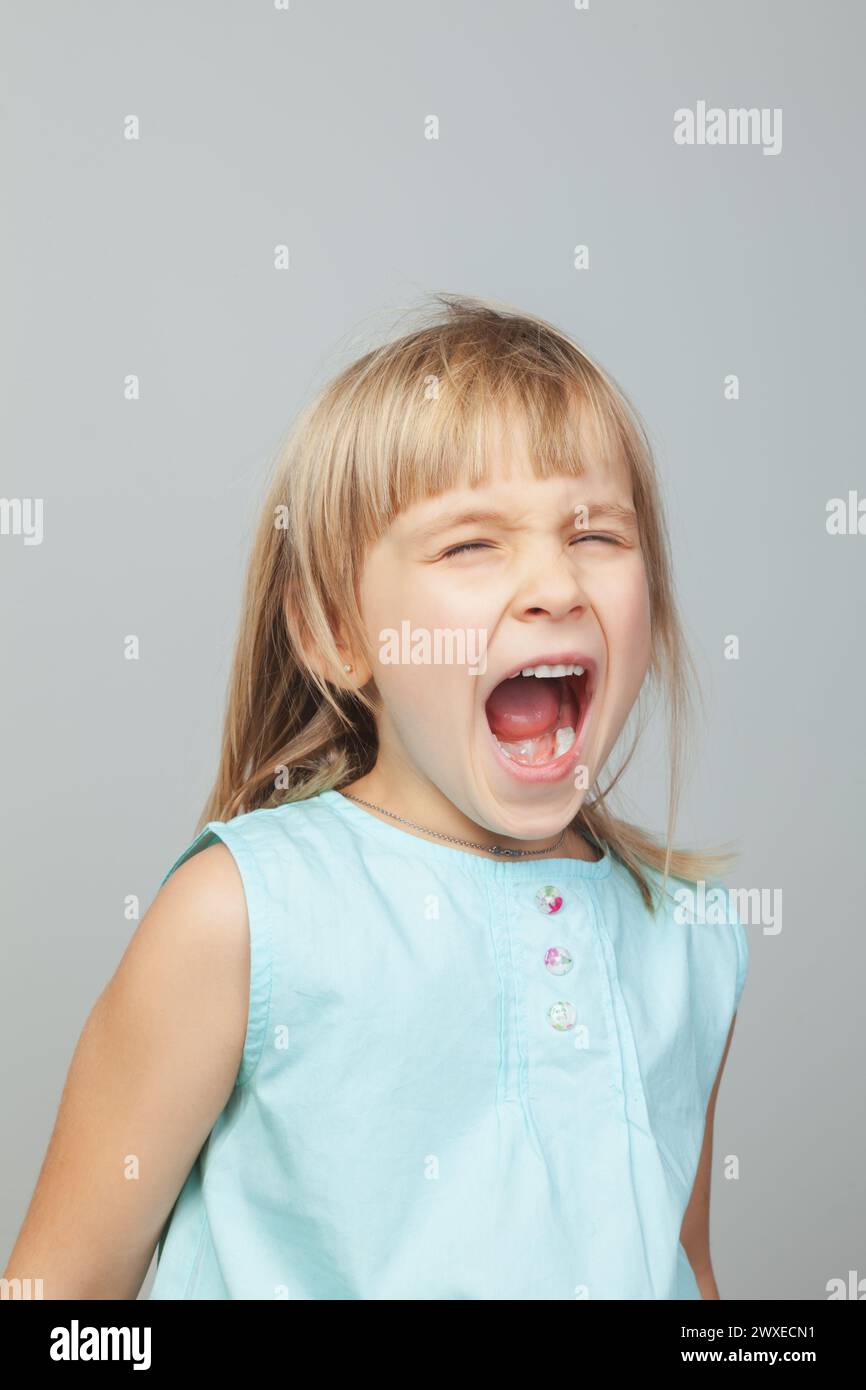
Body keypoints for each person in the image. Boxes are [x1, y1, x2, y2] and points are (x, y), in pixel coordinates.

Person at [3, 293, 748, 1300]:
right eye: (470, 544)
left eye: (595, 536)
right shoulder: (239, 919)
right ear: (332, 633)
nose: (553, 586)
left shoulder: (688, 939)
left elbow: (684, 1273)